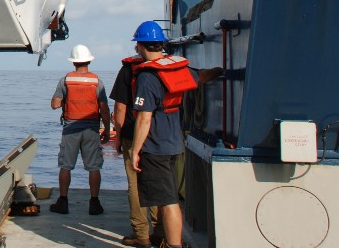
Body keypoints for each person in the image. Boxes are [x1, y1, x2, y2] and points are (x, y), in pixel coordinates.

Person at [129, 21, 220, 248]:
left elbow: (144, 118)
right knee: (171, 199)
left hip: (155, 148)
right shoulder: (177, 69)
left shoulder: (147, 77)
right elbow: (202, 77)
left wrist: (135, 151)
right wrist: (222, 70)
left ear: (140, 46)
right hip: (175, 145)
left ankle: (174, 245)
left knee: (168, 201)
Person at [111, 32, 161, 248]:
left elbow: (120, 107)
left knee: (135, 184)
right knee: (161, 185)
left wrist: (118, 137)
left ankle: (141, 235)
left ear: (139, 45)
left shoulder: (129, 69)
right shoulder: (171, 67)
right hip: (162, 137)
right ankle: (161, 231)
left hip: (134, 134)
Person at [49, 44, 111, 215]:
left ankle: (63, 202)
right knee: (93, 167)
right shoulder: (97, 82)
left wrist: (65, 99)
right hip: (91, 129)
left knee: (66, 166)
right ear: (89, 61)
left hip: (70, 129)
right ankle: (94, 203)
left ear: (73, 62)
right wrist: (106, 129)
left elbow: (54, 104)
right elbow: (104, 109)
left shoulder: (65, 81)